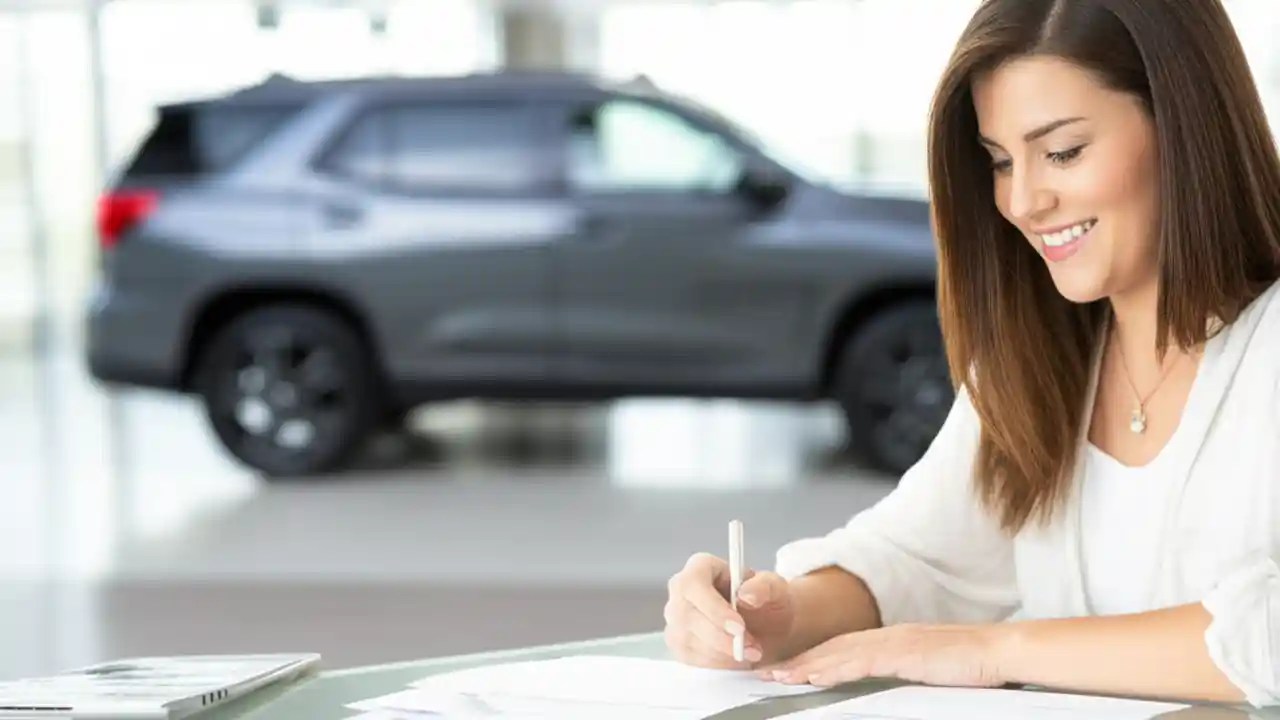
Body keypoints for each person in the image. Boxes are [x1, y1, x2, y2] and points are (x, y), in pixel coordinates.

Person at [662, 0, 1280, 707]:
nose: (1022, 201)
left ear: (1186, 127)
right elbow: (920, 557)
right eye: (1000, 162)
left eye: (1063, 152)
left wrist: (990, 650)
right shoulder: (1045, 353)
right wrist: (779, 615)